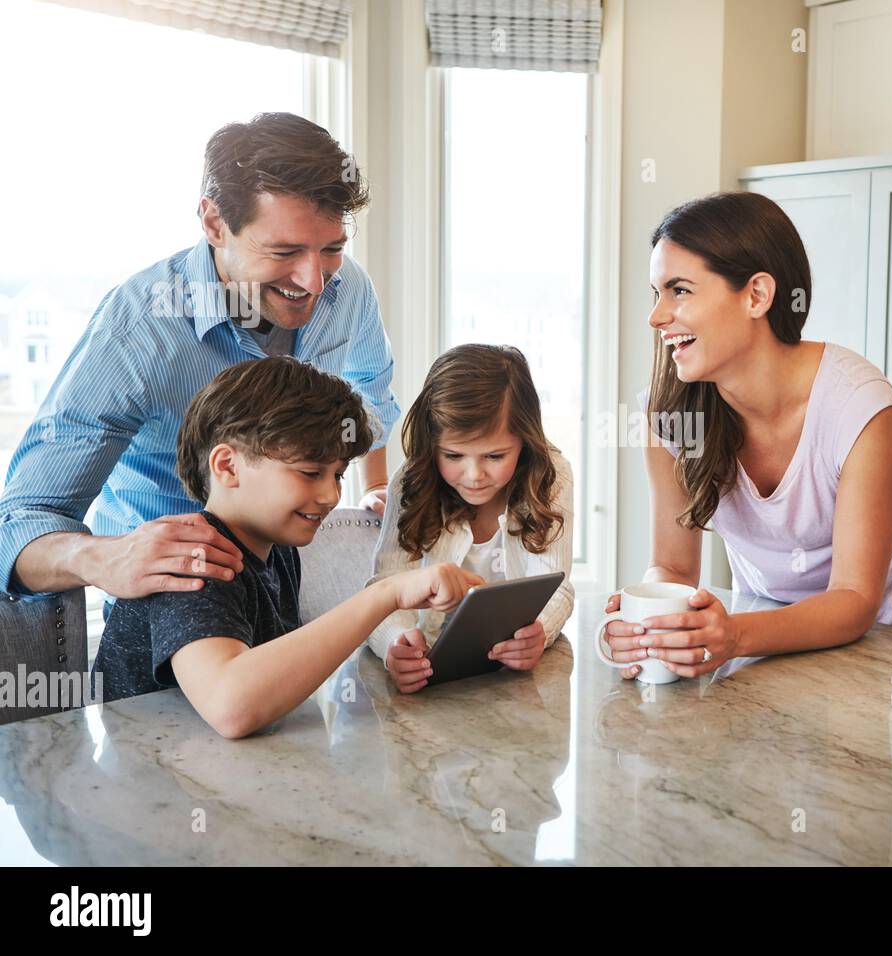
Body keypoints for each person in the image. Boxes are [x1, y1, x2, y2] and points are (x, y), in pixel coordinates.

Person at [0, 112, 399, 609]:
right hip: (179, 602)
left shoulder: (348, 288)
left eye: (332, 248)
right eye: (285, 251)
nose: (315, 281)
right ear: (214, 223)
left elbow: (370, 398)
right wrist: (107, 559)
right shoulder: (138, 333)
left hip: (295, 590)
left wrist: (377, 486)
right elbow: (20, 524)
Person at [605, 192, 892, 682]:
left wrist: (735, 636)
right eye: (655, 292)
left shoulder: (859, 404)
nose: (656, 316)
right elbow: (673, 567)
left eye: (679, 290)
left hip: (891, 634)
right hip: (769, 631)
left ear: (757, 295)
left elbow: (854, 599)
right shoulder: (668, 413)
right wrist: (653, 620)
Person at [92, 357, 480, 738]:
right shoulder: (194, 556)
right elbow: (231, 707)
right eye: (310, 473)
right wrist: (386, 594)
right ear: (228, 466)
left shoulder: (278, 553)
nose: (331, 495)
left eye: (338, 475)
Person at [366, 344, 574, 693]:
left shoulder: (551, 476)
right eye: (453, 455)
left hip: (511, 684)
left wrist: (539, 631)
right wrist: (394, 644)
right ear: (431, 444)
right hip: (427, 670)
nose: (474, 474)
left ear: (525, 441)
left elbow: (557, 587)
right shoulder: (411, 480)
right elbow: (383, 587)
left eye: (495, 455)